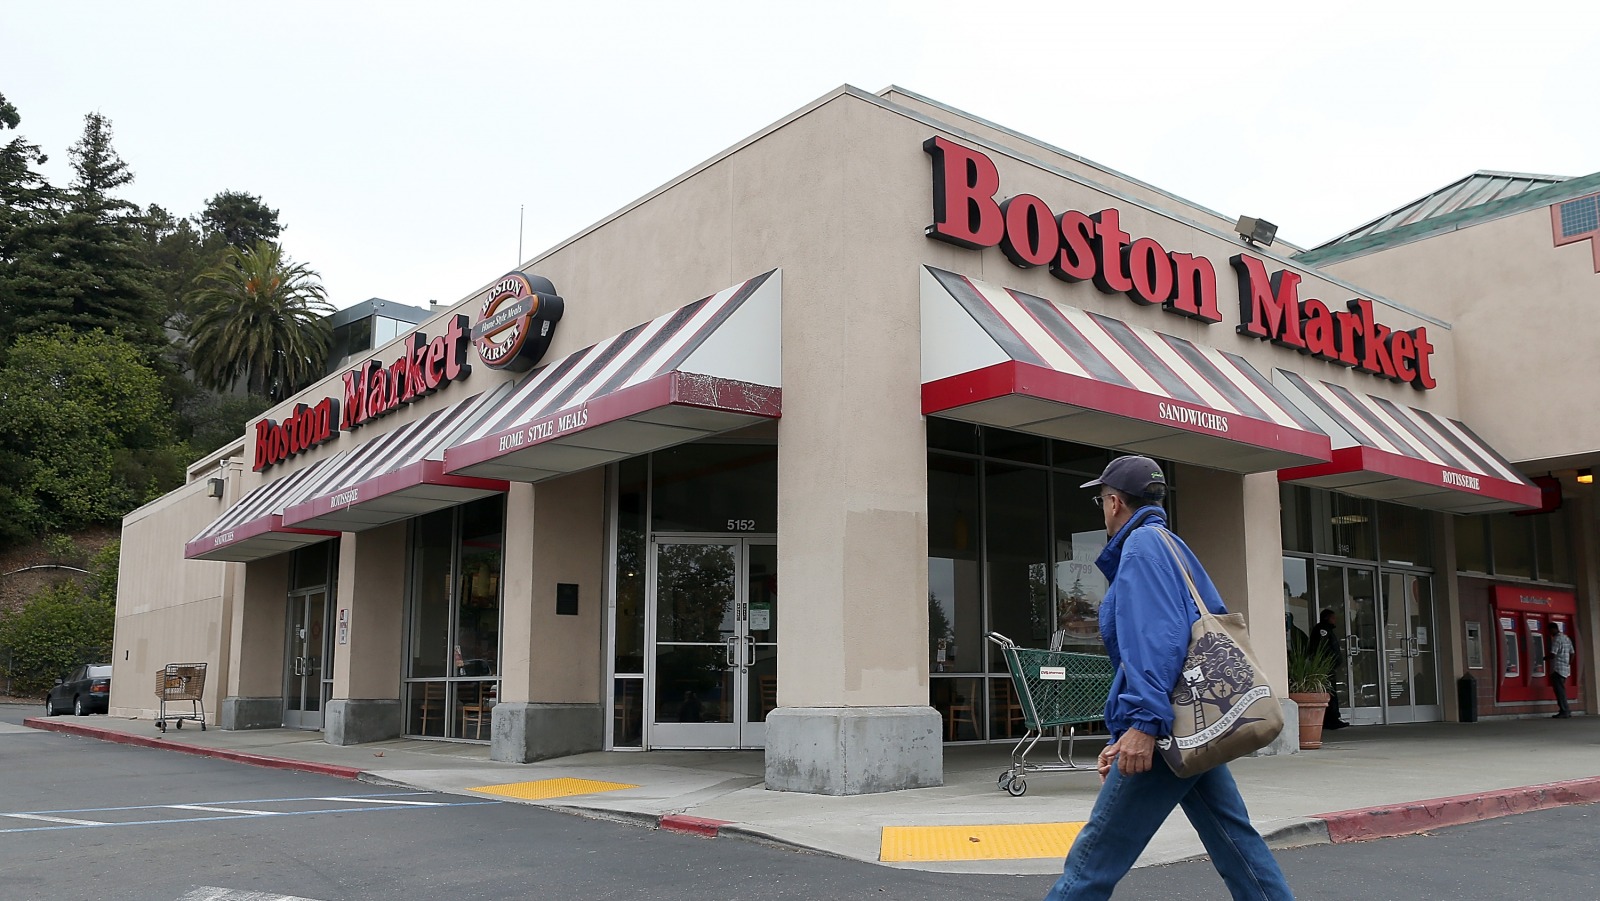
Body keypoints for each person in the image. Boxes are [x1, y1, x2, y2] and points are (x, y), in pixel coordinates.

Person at [1042, 456, 1294, 901]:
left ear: (1115, 502)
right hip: (1189, 720)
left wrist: (1141, 725)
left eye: (1101, 501)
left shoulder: (1140, 548)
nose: (1103, 510)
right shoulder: (1170, 545)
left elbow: (1154, 642)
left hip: (1165, 726)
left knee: (1092, 861)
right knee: (1234, 840)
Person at [1307, 609, 1350, 730]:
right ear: (1327, 618)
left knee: (1331, 692)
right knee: (1329, 693)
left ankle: (1332, 719)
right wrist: (1328, 663)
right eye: (1333, 617)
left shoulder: (1328, 630)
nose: (1335, 620)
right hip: (1325, 668)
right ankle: (1331, 720)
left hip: (1328, 667)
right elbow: (1322, 648)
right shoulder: (1323, 630)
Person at [1547, 622, 1574, 719]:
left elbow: (1553, 654)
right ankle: (1566, 710)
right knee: (1561, 690)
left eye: (1550, 631)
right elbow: (1572, 653)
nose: (1550, 633)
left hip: (1557, 669)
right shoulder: (1566, 638)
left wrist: (1544, 658)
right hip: (1565, 669)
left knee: (1559, 691)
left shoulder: (1556, 639)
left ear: (1553, 629)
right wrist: (1568, 664)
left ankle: (1564, 711)